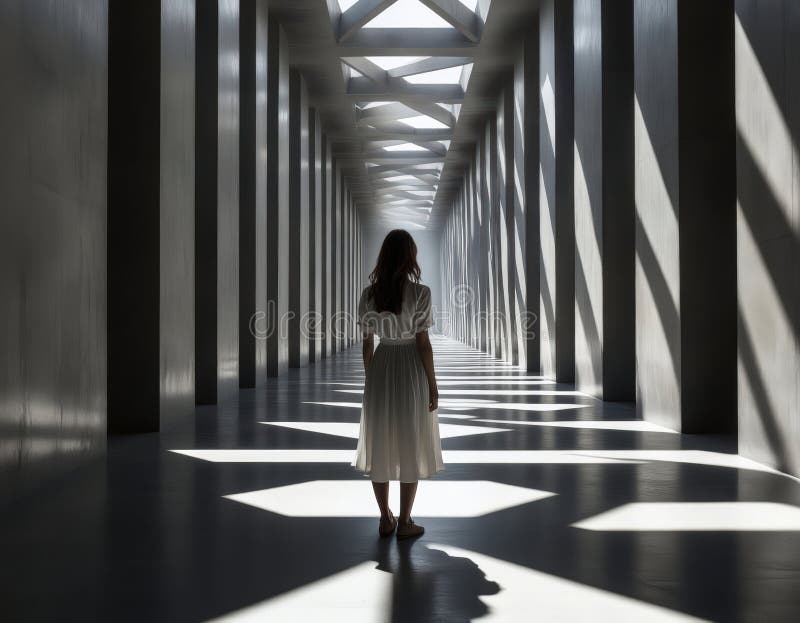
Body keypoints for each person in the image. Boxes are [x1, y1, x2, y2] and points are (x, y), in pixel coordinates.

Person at [353, 229, 443, 539]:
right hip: (409, 367)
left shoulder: (368, 294)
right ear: (410, 258)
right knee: (410, 439)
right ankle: (405, 520)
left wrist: (371, 377)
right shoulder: (421, 293)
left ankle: (384, 518)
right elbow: (423, 345)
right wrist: (432, 384)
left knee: (380, 441)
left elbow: (366, 344)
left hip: (382, 363)